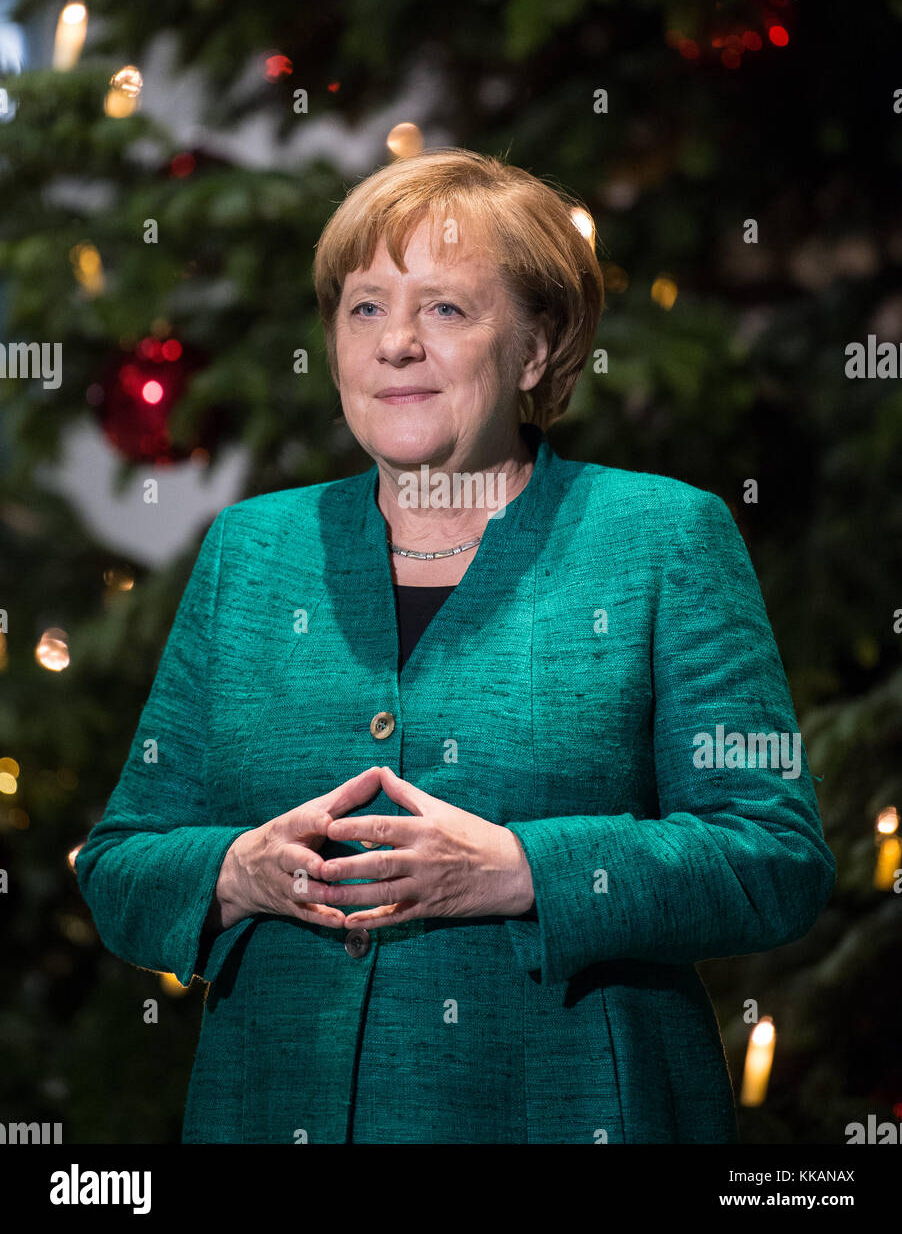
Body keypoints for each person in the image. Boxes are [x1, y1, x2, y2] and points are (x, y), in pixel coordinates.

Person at [75, 147, 836, 1144]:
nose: (394, 344)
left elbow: (774, 858)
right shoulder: (250, 551)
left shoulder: (661, 538)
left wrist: (524, 867)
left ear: (532, 352)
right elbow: (122, 862)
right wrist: (238, 870)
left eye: (444, 309)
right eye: (363, 309)